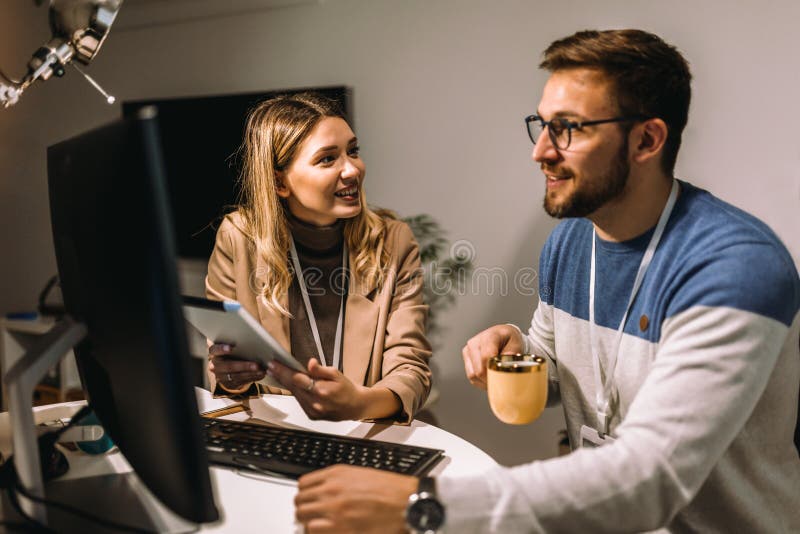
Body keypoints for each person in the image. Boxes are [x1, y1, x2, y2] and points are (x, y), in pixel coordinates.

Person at [292, 29, 800, 533]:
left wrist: (420, 503)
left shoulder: (735, 265)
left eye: (569, 129)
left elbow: (651, 478)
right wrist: (522, 354)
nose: (541, 152)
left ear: (647, 139)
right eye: (542, 125)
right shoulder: (570, 242)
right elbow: (556, 370)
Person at [205, 92, 432, 423]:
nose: (352, 170)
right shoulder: (238, 237)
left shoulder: (393, 242)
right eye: (328, 159)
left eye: (352, 152)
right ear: (280, 182)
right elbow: (224, 374)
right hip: (278, 431)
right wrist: (230, 376)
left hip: (361, 431)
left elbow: (410, 370)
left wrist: (358, 404)